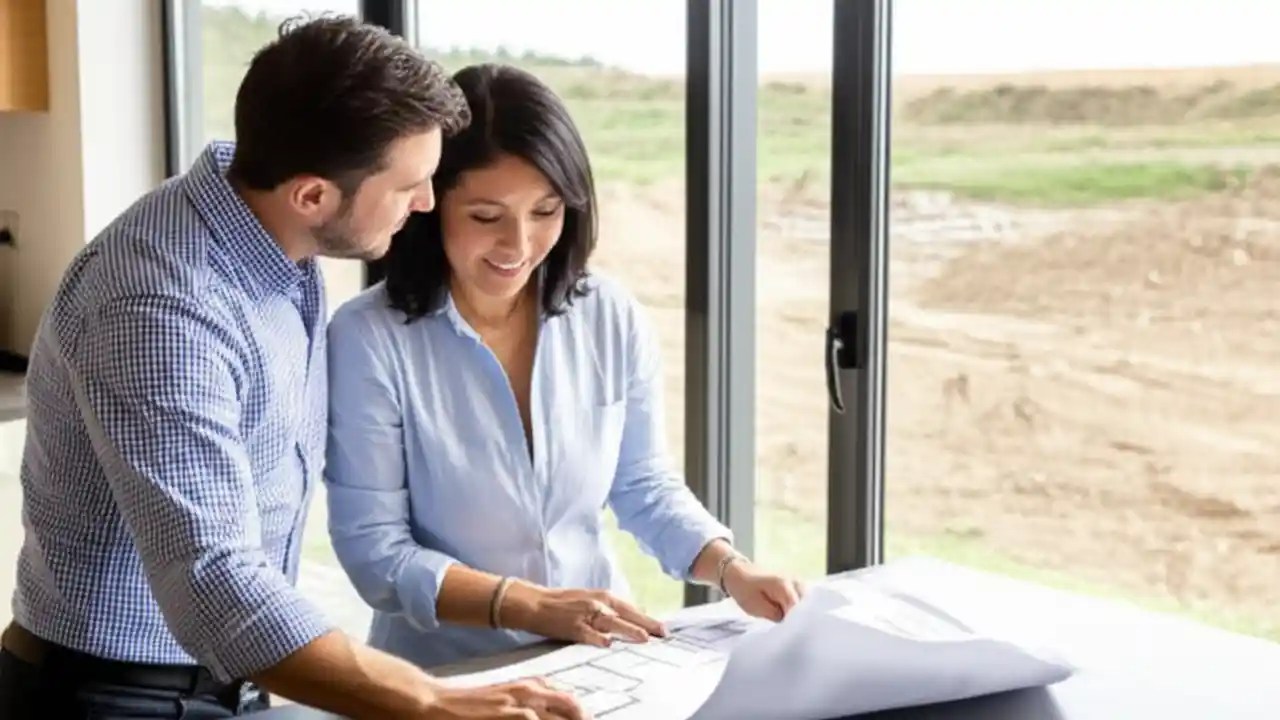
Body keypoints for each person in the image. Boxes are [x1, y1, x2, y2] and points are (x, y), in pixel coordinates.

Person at [0, 18, 586, 720]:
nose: (427, 204)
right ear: (312, 195)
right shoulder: (159, 306)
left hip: (227, 680)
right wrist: (431, 699)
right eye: (408, 186)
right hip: (111, 699)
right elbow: (214, 578)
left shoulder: (271, 230)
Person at [324, 62, 805, 671]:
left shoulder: (607, 313)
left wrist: (730, 566)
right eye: (486, 216)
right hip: (445, 676)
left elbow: (643, 485)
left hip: (594, 659)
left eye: (545, 212)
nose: (519, 245)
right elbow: (376, 552)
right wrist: (528, 606)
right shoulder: (368, 338)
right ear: (429, 205)